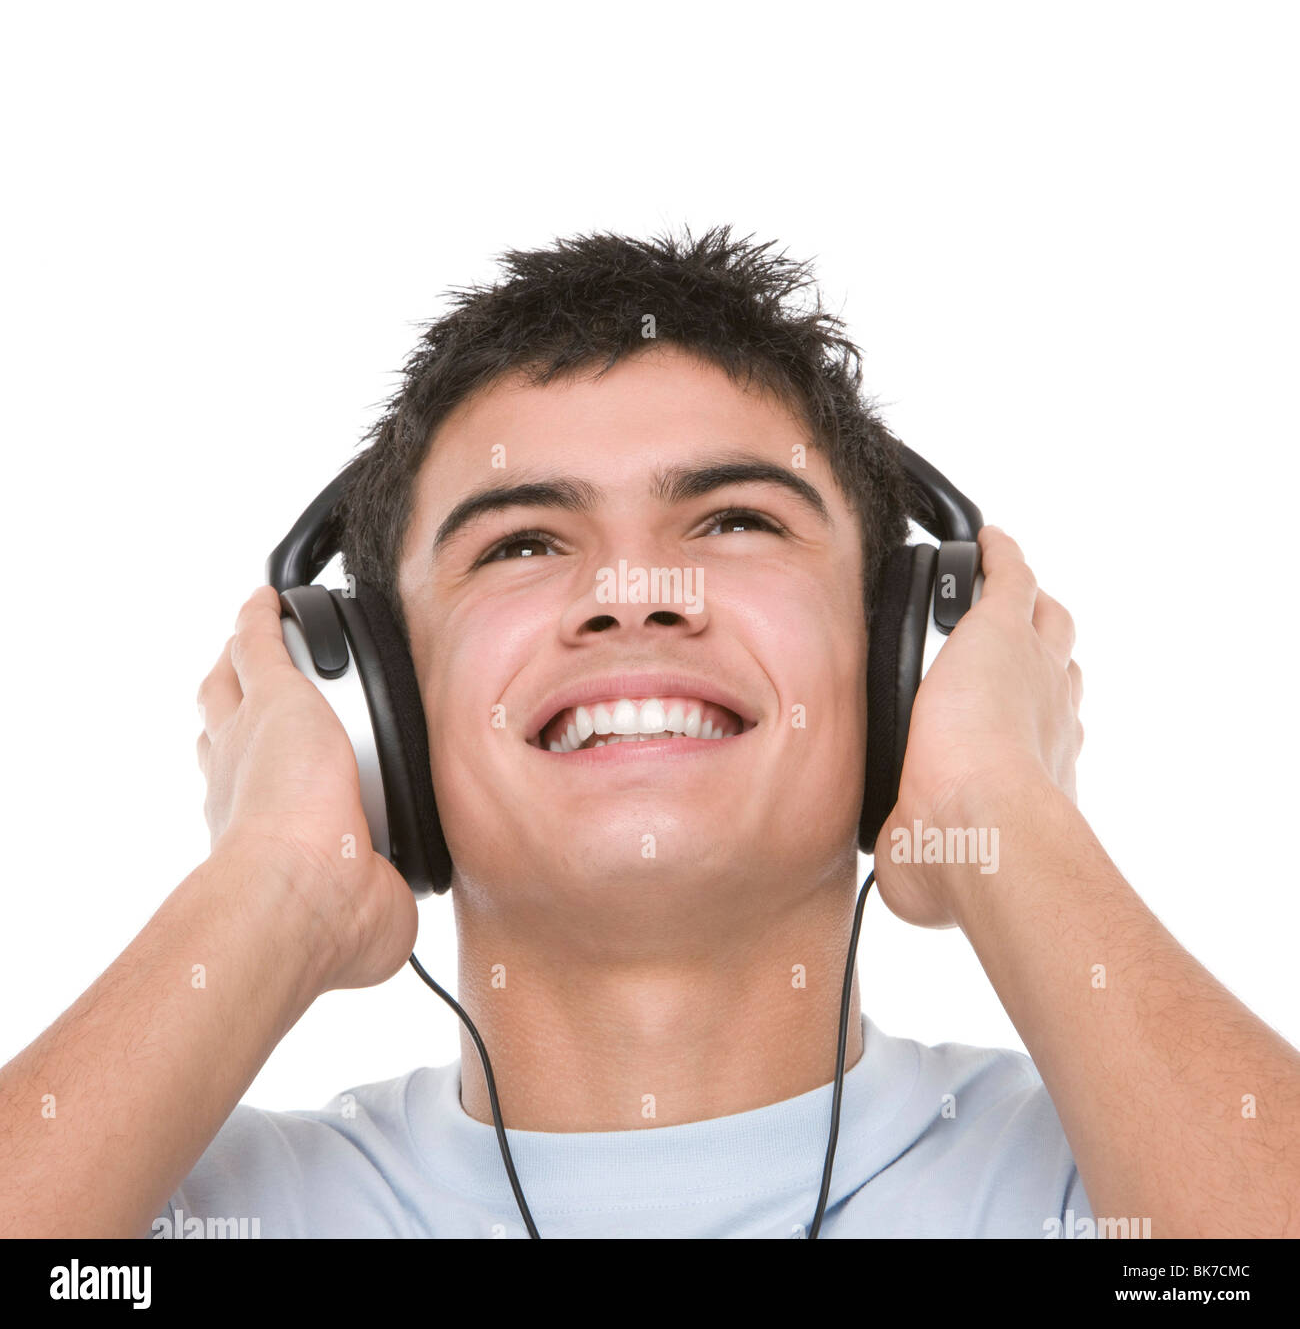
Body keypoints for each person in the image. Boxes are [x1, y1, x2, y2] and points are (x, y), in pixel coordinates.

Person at [4, 229, 1298, 1239]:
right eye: (521, 541)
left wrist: (999, 812)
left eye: (735, 521)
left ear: (907, 651)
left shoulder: (1123, 1193)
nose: (631, 590)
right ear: (375, 697)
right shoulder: (189, 1216)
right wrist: (276, 879)